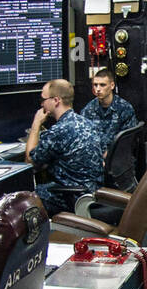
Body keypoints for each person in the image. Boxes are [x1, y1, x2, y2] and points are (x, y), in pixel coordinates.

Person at [27, 77, 105, 215]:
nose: (42, 105)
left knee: (27, 197)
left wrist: (36, 125)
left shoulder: (59, 131)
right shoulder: (87, 122)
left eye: (43, 100)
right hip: (93, 190)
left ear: (56, 100)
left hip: (72, 196)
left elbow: (30, 162)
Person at [78, 66, 137, 154]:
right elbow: (83, 137)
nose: (98, 89)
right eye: (95, 85)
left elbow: (128, 141)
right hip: (95, 155)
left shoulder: (124, 108)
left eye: (102, 85)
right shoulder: (88, 109)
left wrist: (109, 154)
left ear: (112, 85)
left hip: (119, 155)